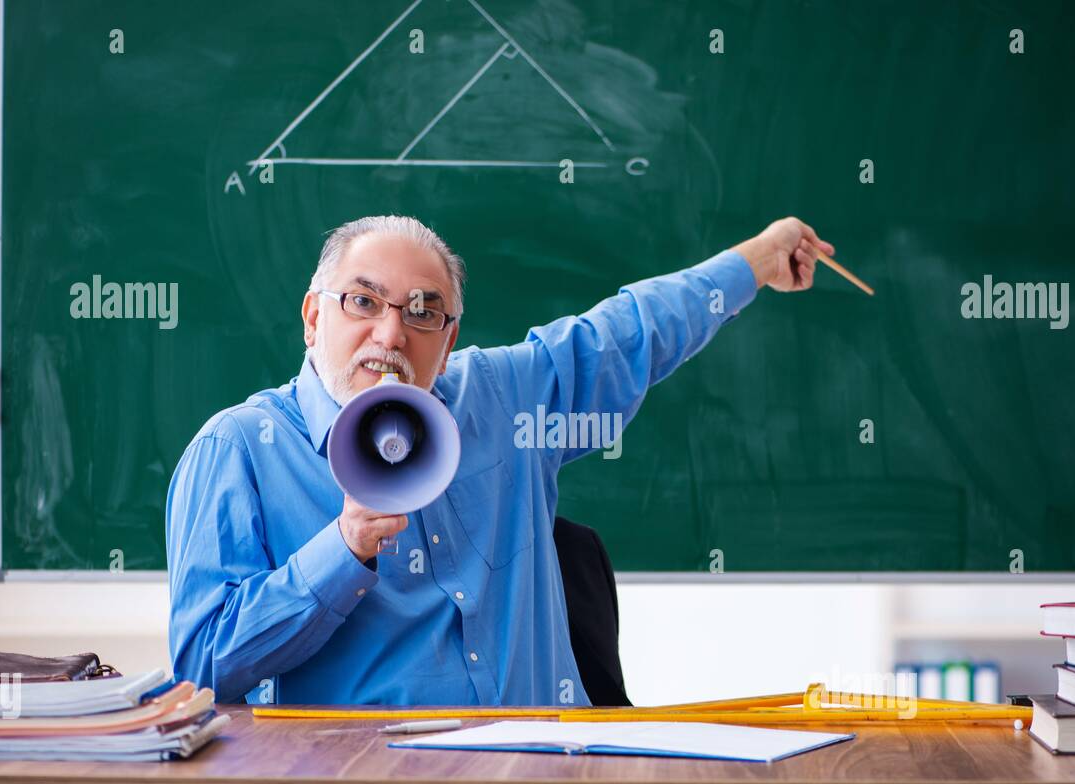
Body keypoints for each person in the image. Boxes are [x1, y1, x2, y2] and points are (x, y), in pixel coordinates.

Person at [166, 214, 834, 705]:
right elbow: (203, 666)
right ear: (313, 318)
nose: (392, 332)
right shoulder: (239, 449)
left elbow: (633, 330)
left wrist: (758, 259)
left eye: (424, 312)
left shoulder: (501, 400)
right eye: (363, 302)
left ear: (448, 340)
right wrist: (342, 550)